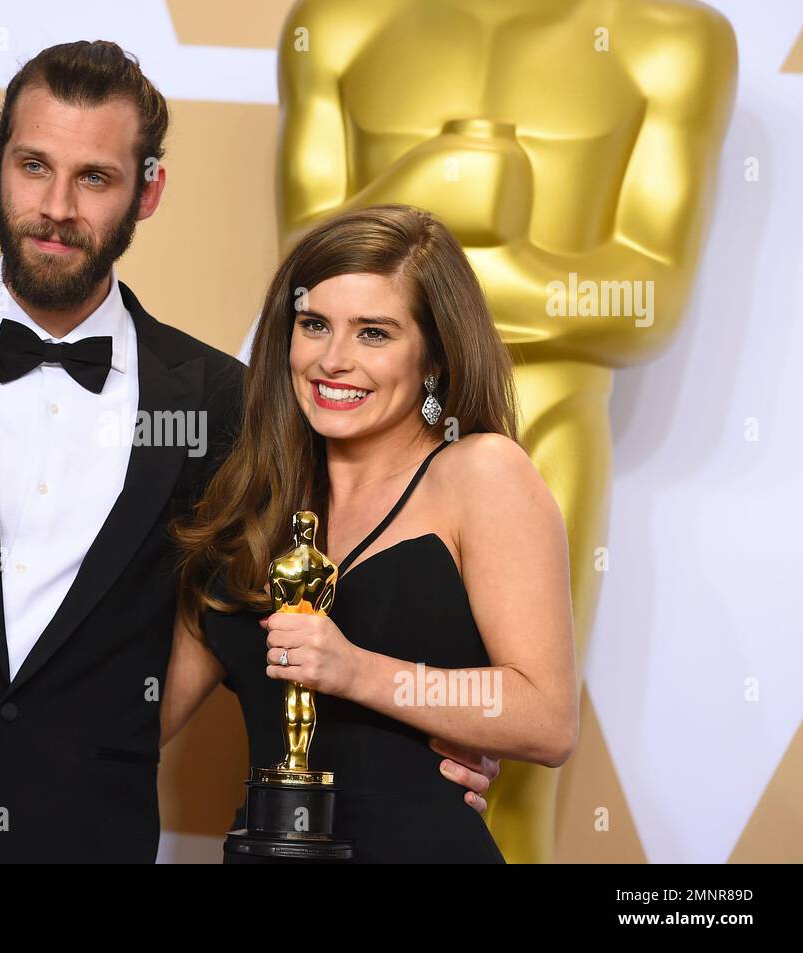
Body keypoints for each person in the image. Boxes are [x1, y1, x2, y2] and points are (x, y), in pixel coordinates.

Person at [0, 41, 492, 863]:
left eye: (96, 178)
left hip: (80, 836)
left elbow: (284, 607)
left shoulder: (224, 401)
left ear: (147, 191)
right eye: (35, 166)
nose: (57, 206)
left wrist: (431, 736)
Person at [164, 204, 578, 863]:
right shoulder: (248, 501)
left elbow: (547, 716)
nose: (334, 360)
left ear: (434, 357)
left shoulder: (481, 473)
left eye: (374, 334)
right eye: (314, 325)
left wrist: (355, 670)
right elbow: (141, 715)